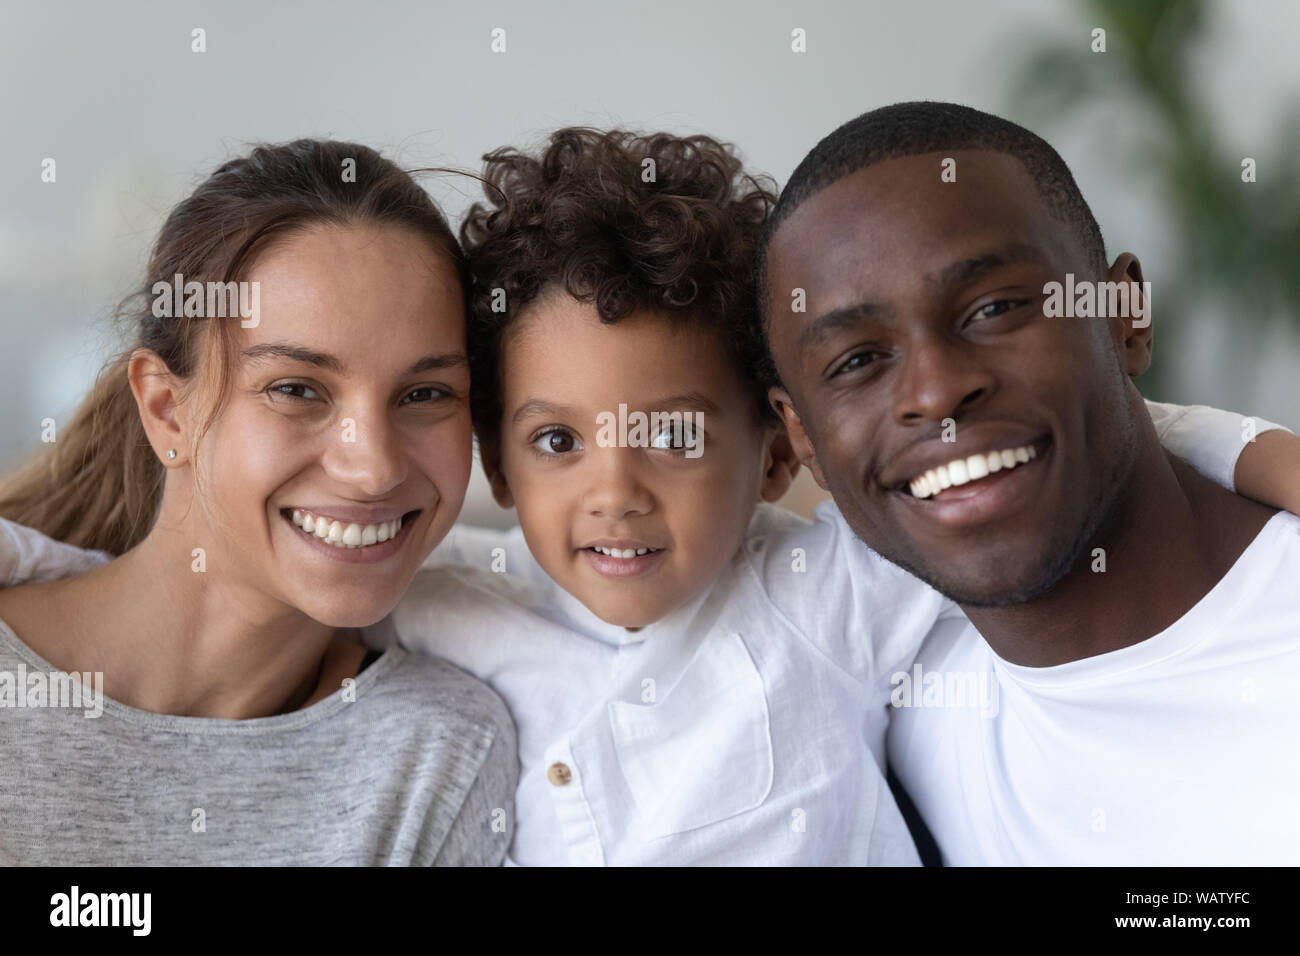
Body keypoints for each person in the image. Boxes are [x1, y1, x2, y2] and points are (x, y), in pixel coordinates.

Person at [367, 128, 1290, 864]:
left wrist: (1253, 451)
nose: (614, 492)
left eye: (676, 434)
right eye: (556, 442)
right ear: (498, 463)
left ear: (778, 456)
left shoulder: (829, 590)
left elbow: (1043, 451)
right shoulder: (451, 601)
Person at [756, 101, 1300, 864]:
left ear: (1125, 314)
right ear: (801, 437)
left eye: (995, 309)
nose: (935, 392)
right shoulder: (872, 693)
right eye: (857, 361)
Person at [0, 140, 517, 865]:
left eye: (424, 394)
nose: (371, 468)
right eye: (297, 389)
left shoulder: (436, 756)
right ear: (166, 411)